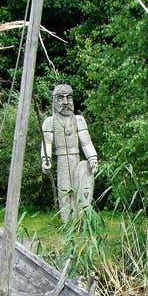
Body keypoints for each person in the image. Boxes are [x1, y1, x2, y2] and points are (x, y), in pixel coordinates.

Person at [41, 84, 98, 221]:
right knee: (64, 192)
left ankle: (80, 220)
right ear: (54, 100)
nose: (65, 102)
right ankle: (66, 221)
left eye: (69, 98)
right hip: (61, 161)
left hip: (75, 160)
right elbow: (47, 143)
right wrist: (45, 159)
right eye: (60, 98)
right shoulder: (50, 121)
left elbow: (86, 142)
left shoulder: (79, 120)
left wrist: (92, 157)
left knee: (79, 188)